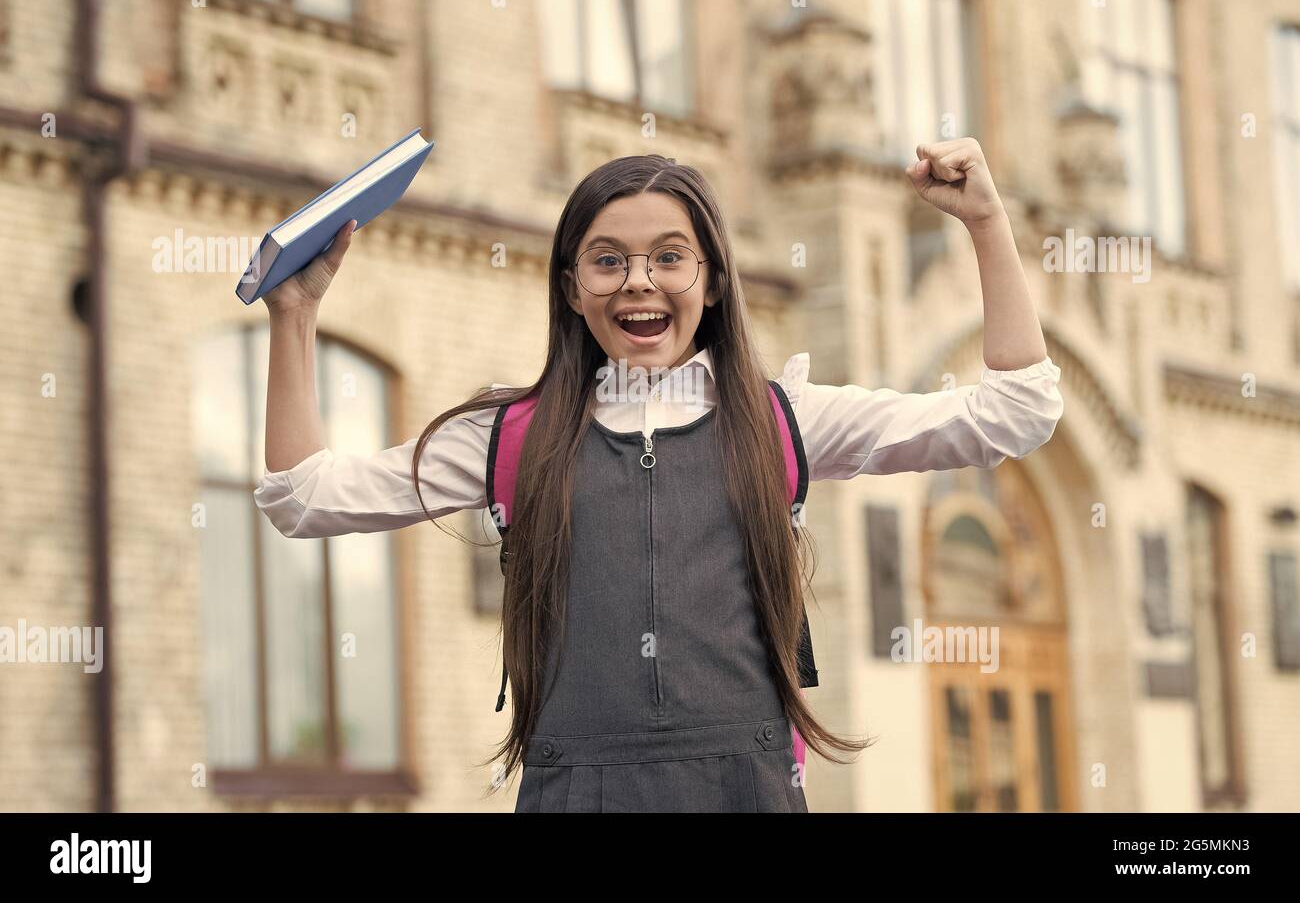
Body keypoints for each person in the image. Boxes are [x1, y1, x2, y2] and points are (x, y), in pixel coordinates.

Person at [255, 141, 1064, 812]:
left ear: (710, 281)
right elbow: (304, 497)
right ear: (572, 289)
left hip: (745, 785)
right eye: (608, 261)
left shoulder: (786, 418)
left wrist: (988, 223)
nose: (638, 281)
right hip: (574, 788)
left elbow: (1014, 413)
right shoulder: (509, 438)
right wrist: (296, 318)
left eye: (668, 258)